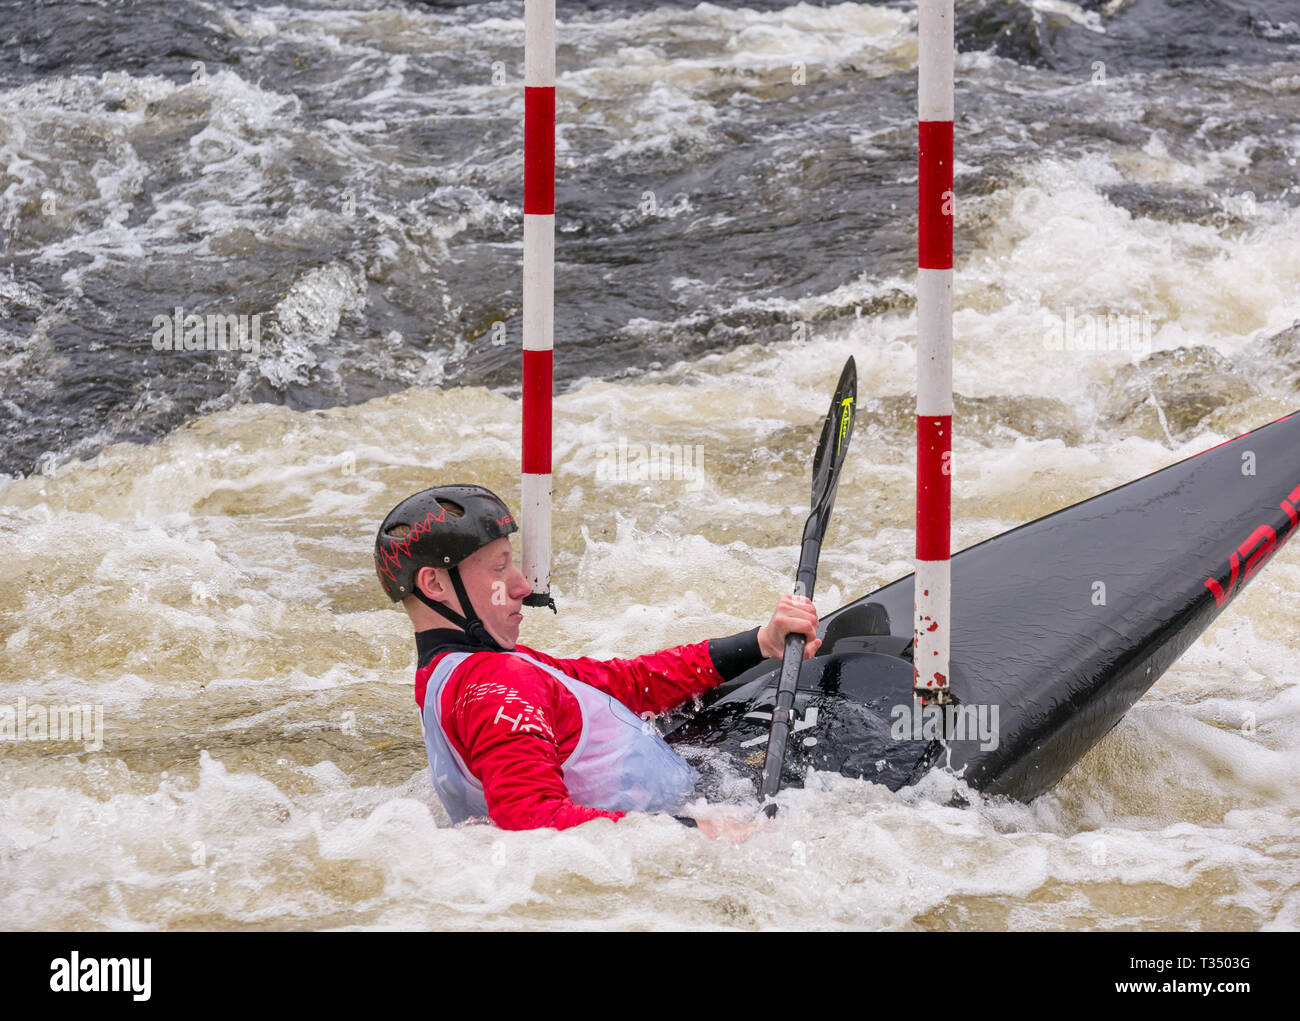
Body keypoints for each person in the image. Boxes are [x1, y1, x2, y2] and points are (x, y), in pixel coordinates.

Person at [375, 484, 821, 835]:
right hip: (687, 827)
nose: (521, 586)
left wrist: (761, 642)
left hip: (681, 807)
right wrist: (700, 832)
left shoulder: (466, 674)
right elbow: (532, 822)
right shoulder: (498, 684)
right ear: (434, 584)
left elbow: (627, 685)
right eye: (499, 568)